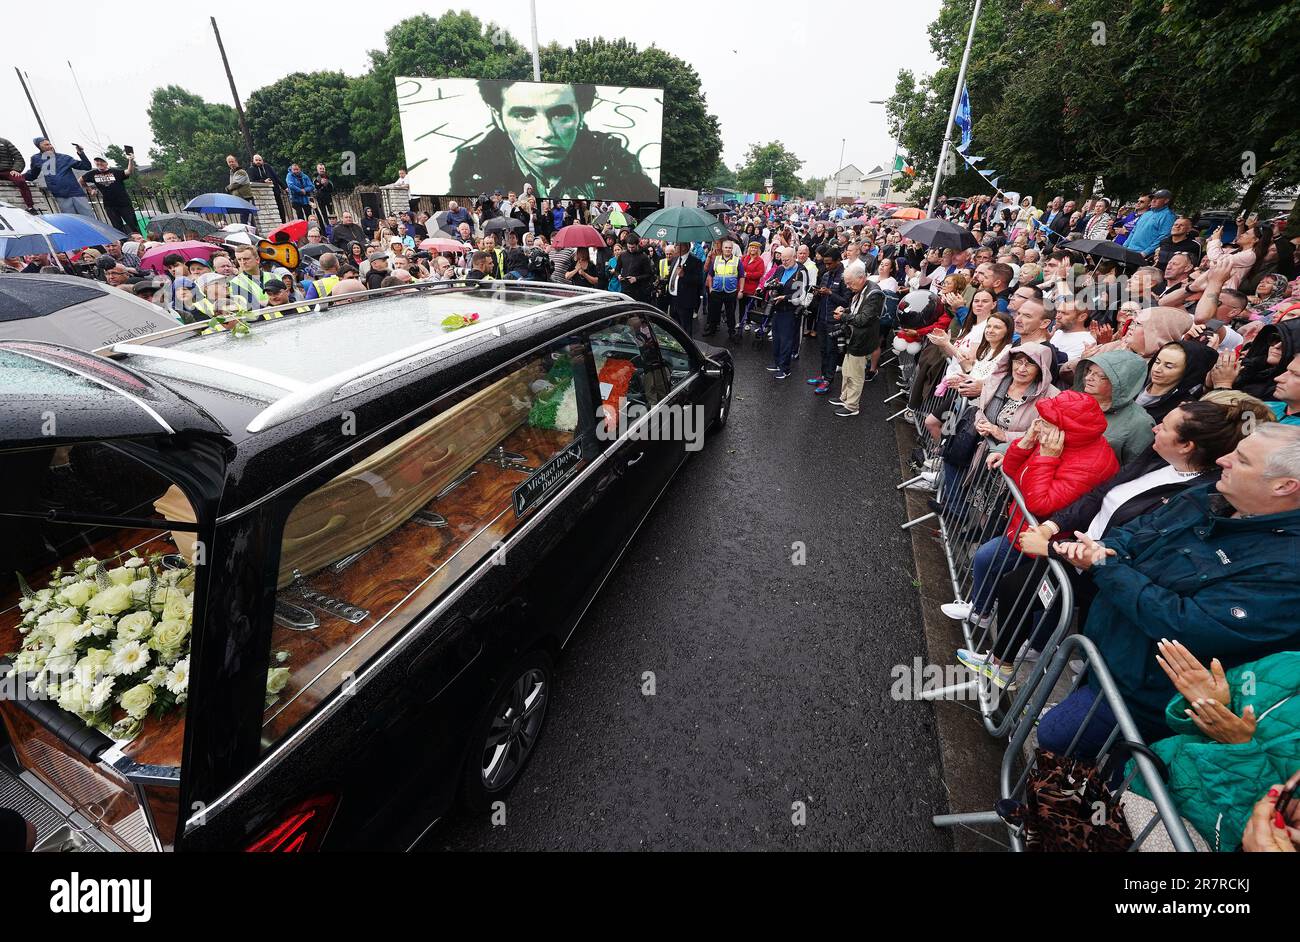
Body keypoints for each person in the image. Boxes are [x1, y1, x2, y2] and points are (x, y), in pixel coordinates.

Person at [1040, 422, 1300, 750]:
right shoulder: (1208, 496)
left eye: (1243, 460)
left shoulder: (1288, 568)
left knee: (1056, 739)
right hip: (1106, 657)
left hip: (1144, 698)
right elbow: (1135, 531)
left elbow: (1187, 623)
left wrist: (1107, 565)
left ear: (1284, 486)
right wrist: (1104, 551)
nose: (1224, 460)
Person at [948, 391, 1119, 681]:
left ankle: (1026, 652)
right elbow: (1013, 474)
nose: (1039, 423)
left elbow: (1040, 504)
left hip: (1051, 542)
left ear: (1067, 428)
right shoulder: (1057, 441)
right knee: (990, 561)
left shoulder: (1089, 460)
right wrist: (1024, 444)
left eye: (1047, 420)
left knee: (1038, 602)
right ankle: (983, 614)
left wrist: (1046, 457)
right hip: (1025, 531)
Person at [449, 81, 656, 201]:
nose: (546, 132)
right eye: (523, 115)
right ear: (498, 117)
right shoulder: (473, 170)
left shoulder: (613, 161)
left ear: (581, 115)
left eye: (560, 114)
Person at [1073, 350, 1157, 465]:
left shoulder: (1139, 424)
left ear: (1121, 383)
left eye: (1100, 376)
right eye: (1089, 371)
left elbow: (1135, 469)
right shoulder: (1075, 402)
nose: (1088, 378)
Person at [828, 260, 882, 416]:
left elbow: (864, 319)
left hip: (862, 339)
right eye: (846, 284)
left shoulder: (874, 294)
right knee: (846, 370)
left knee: (856, 374)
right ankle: (845, 397)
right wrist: (844, 309)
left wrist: (844, 316)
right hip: (853, 336)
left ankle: (852, 406)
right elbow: (855, 309)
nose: (848, 287)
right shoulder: (862, 288)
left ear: (861, 278)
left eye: (850, 283)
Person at [1138, 340, 1218, 422]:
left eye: (1168, 366)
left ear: (1187, 372)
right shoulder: (1135, 382)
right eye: (1157, 362)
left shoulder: (1180, 409)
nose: (1157, 369)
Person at [766, 247, 810, 380]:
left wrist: (784, 298)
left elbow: (799, 296)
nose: (784, 262)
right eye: (782, 259)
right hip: (777, 308)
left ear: (794, 257)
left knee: (786, 340)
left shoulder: (800, 272)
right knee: (776, 337)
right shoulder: (780, 269)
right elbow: (770, 282)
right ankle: (777, 362)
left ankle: (785, 369)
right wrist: (771, 289)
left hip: (790, 310)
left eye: (787, 260)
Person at [811, 246, 851, 395]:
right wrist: (818, 292)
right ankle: (822, 375)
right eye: (825, 263)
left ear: (838, 261)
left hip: (834, 321)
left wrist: (829, 293)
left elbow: (846, 302)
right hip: (821, 317)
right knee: (822, 349)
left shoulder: (844, 277)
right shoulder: (826, 275)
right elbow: (822, 293)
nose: (826, 266)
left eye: (829, 263)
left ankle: (828, 379)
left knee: (831, 350)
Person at [24, 139, 92, 216]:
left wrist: (81, 153)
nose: (50, 146)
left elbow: (87, 166)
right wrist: (17, 176)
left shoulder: (65, 158)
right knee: (72, 221)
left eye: (50, 144)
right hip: (60, 195)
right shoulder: (36, 158)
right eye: (46, 145)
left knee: (89, 219)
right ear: (39, 147)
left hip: (76, 193)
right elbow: (32, 175)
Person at [666, 241, 704, 337]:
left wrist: (684, 275)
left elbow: (699, 280)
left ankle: (687, 349)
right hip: (673, 299)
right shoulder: (675, 259)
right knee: (674, 325)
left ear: (684, 247)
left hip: (685, 301)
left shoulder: (695, 261)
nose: (675, 246)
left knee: (685, 328)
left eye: (677, 245)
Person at [704, 241, 741, 340]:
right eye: (726, 247)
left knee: (730, 314)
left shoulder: (737, 260)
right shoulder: (716, 259)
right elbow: (710, 274)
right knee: (713, 312)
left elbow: (741, 276)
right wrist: (711, 288)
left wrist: (740, 290)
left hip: (730, 291)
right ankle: (712, 329)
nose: (728, 249)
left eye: (729, 248)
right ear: (723, 249)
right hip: (717, 291)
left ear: (732, 249)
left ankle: (731, 332)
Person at [1125, 188, 1176, 258]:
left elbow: (1163, 237)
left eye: (1157, 198)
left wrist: (1145, 252)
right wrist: (1124, 246)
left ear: (1166, 201)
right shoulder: (1147, 213)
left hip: (1143, 255)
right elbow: (1134, 231)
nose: (1153, 200)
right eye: (1153, 198)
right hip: (1129, 250)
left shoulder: (1168, 216)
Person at [1, 136, 37, 211]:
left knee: (21, 181)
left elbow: (18, 158)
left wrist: (16, 169)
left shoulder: (4, 142)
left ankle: (30, 207)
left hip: (9, 171)